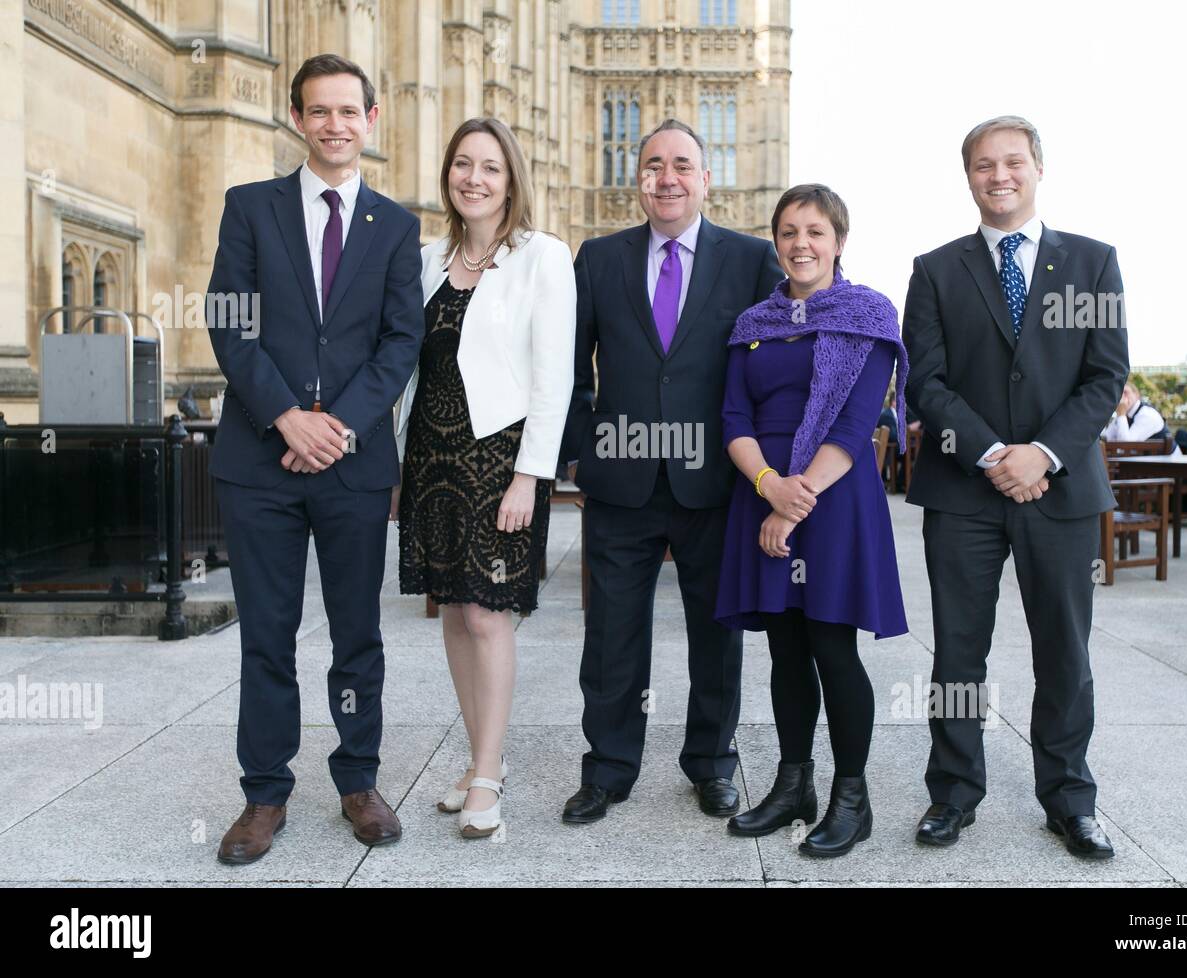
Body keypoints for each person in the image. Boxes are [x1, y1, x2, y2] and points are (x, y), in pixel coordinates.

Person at [205, 54, 424, 864]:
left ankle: (358, 780)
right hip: (259, 461)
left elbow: (402, 343)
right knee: (266, 633)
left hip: (354, 466)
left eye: (348, 110)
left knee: (357, 634)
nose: (335, 124)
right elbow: (229, 321)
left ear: (372, 119)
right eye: (318, 110)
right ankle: (264, 794)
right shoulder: (250, 208)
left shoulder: (398, 229)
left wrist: (339, 426)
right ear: (297, 119)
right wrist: (289, 418)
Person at [903, 116, 1129, 859]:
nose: (998, 175)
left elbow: (1104, 377)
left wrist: (1043, 454)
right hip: (963, 492)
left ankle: (1069, 798)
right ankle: (953, 795)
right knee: (958, 656)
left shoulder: (1094, 263)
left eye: (1012, 162)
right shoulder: (935, 270)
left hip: (1060, 492)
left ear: (1037, 168)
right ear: (967, 176)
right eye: (982, 165)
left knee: (1064, 651)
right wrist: (997, 452)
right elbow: (926, 382)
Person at [559, 119, 784, 824]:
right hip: (619, 483)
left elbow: (776, 367)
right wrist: (582, 448)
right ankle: (608, 769)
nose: (667, 178)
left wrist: (769, 467)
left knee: (716, 636)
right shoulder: (598, 258)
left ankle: (712, 765)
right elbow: (570, 369)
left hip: (714, 483)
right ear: (639, 178)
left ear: (705, 178)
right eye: (654, 164)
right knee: (611, 637)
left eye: (682, 165)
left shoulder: (751, 260)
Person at [392, 118, 576, 839]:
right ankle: (475, 761)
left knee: (488, 614)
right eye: (463, 164)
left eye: (490, 167)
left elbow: (553, 377)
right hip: (432, 458)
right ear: (448, 175)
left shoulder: (542, 257)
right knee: (453, 612)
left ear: (511, 179)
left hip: (499, 462)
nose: (474, 177)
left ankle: (489, 776)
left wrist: (531, 476)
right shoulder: (425, 258)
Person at [715, 184, 907, 858]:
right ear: (777, 242)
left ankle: (852, 799)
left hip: (833, 501)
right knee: (785, 648)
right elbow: (733, 417)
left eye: (816, 232)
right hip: (763, 494)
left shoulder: (868, 315)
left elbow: (856, 425)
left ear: (839, 242)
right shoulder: (752, 324)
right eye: (790, 232)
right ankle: (793, 783)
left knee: (831, 645)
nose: (802, 244)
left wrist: (793, 503)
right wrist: (769, 488)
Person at [1103, 381, 1181, 454]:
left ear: (1137, 395)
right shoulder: (1123, 414)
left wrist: (1121, 414)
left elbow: (1125, 447)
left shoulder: (1147, 414)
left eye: (1125, 392)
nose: (1122, 397)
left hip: (1170, 465)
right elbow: (1106, 439)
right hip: (1147, 464)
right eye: (1119, 394)